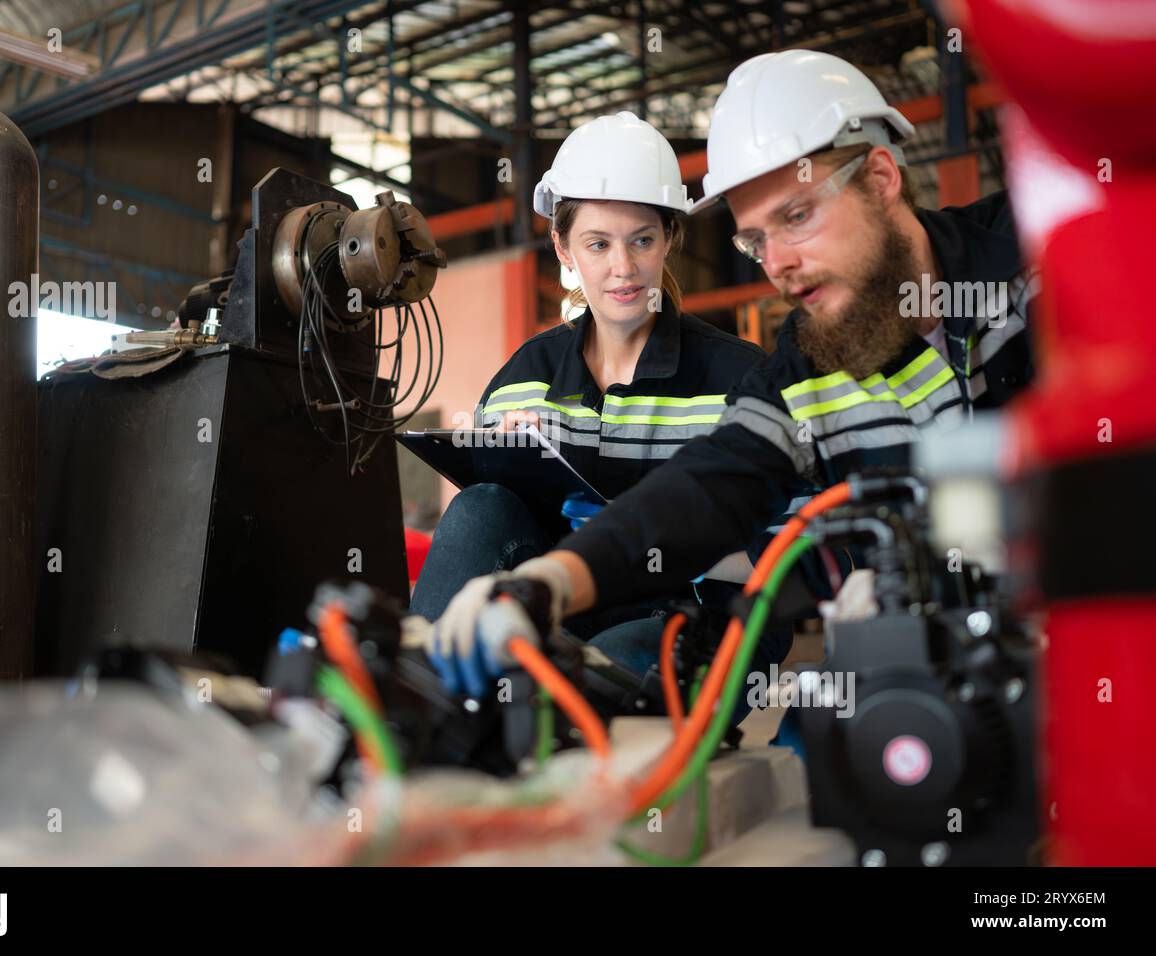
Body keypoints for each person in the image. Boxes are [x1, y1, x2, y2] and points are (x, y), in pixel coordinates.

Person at [428, 50, 1039, 714]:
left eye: (798, 216)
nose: (778, 265)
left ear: (882, 176)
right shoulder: (800, 374)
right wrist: (546, 583)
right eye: (755, 241)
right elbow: (708, 487)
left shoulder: (1038, 259)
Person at [409, 111, 787, 698]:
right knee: (483, 505)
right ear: (563, 248)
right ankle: (417, 698)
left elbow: (787, 563)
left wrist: (648, 544)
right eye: (597, 243)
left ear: (670, 239)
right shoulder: (522, 379)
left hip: (698, 618)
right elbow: (486, 535)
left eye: (642, 239)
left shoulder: (740, 378)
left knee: (586, 681)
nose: (623, 268)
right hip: (565, 612)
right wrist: (510, 465)